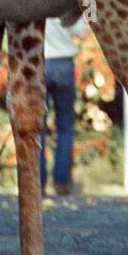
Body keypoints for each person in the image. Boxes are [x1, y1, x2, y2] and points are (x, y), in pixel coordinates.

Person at [41, 15, 89, 196]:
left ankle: (39, 182)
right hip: (64, 65)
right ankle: (61, 182)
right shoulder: (63, 6)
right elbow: (83, 32)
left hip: (40, 63)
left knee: (39, 128)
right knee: (65, 126)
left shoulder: (34, 3)